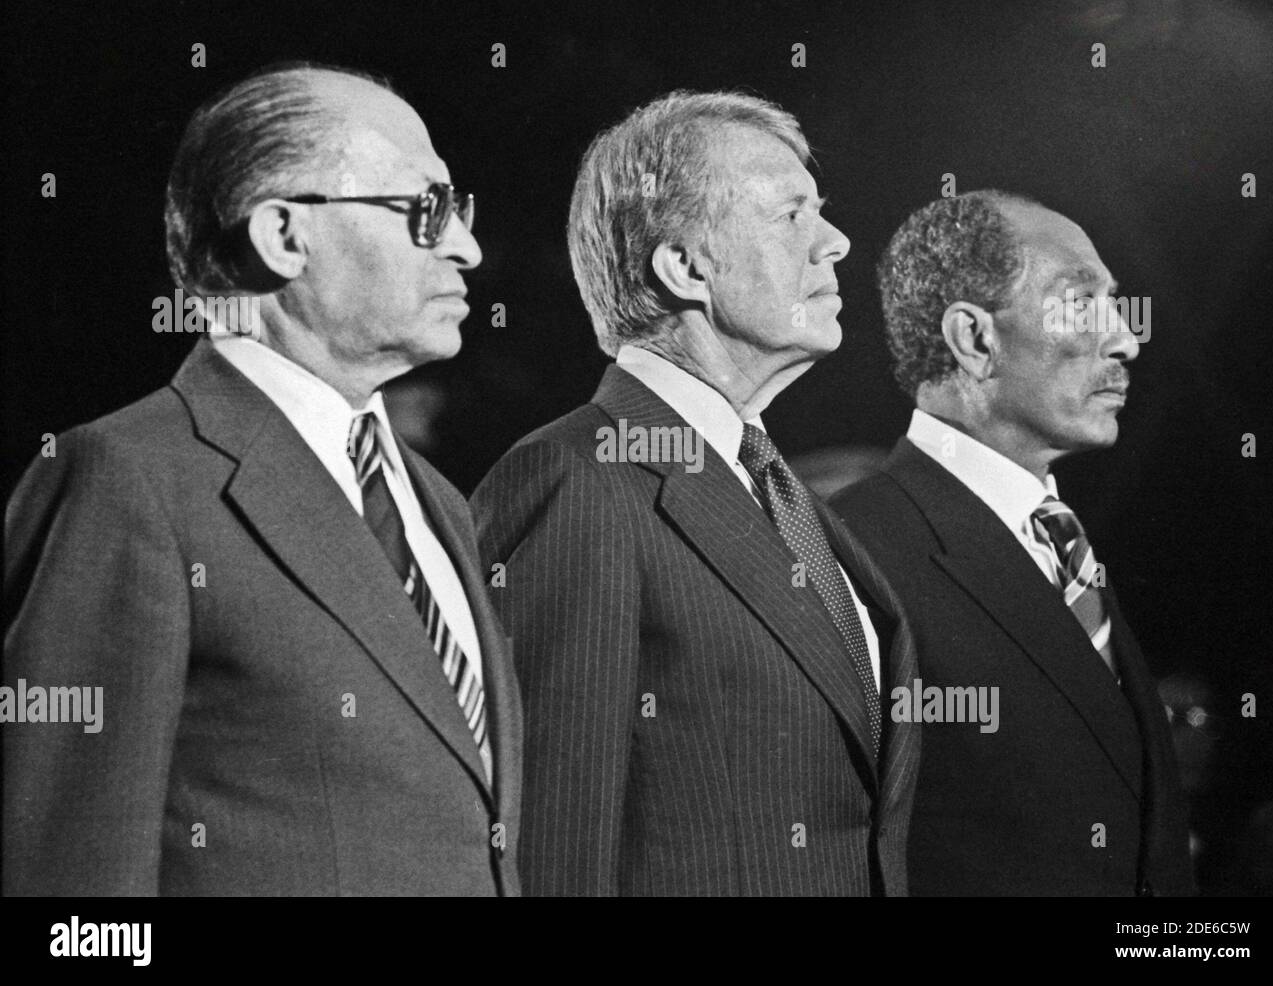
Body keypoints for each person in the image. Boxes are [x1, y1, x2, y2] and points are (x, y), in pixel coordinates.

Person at [3, 63, 522, 895]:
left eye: (461, 211)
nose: (468, 246)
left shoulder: (439, 505)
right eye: (426, 209)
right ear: (285, 235)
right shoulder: (128, 479)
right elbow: (70, 886)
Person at [472, 91, 920, 896]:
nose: (837, 242)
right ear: (684, 267)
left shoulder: (780, 493)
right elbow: (550, 851)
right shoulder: (580, 480)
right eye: (791, 216)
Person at [831, 190, 1194, 895]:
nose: (1126, 338)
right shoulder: (848, 548)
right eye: (1080, 302)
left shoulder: (1064, 543)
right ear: (974, 340)